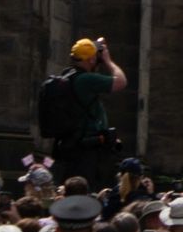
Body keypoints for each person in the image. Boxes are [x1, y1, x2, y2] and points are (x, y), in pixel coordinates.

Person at [52, 39, 127, 189]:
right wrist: (108, 61)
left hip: (72, 145)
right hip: (88, 150)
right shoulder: (86, 79)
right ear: (91, 59)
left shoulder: (67, 76)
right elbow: (121, 81)